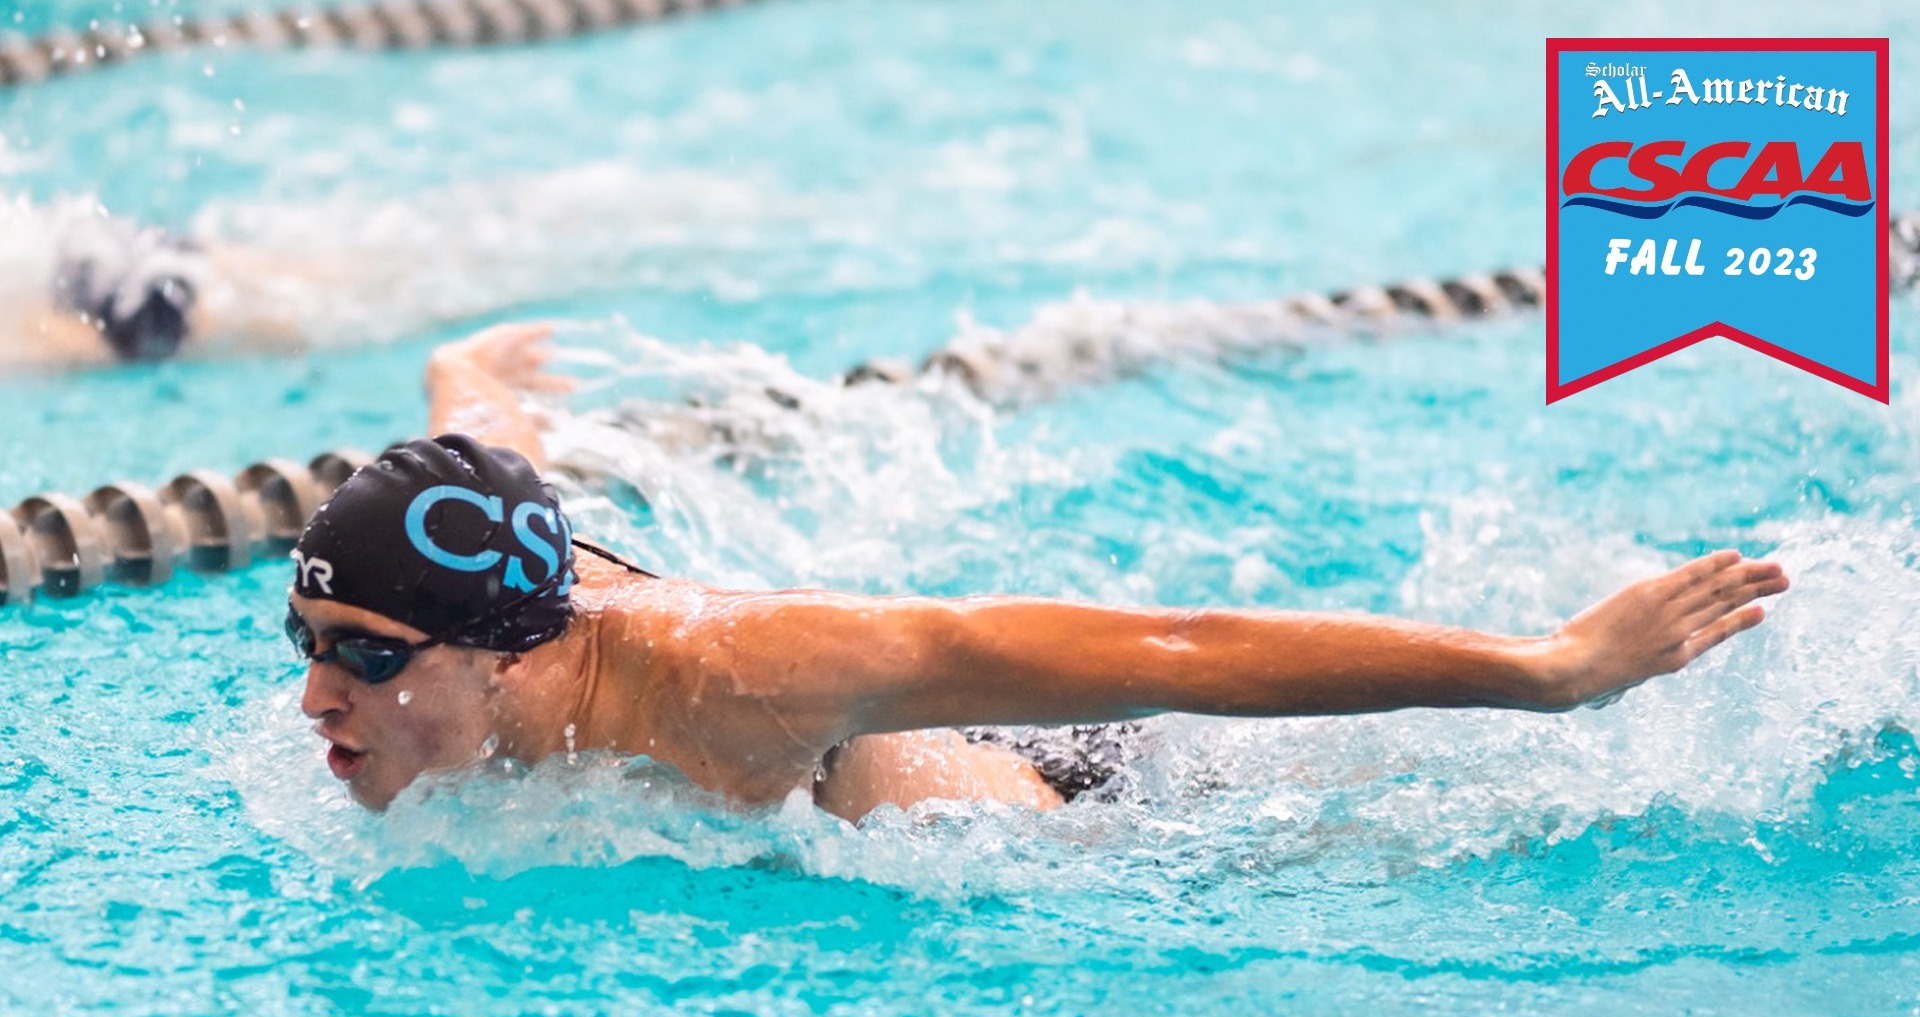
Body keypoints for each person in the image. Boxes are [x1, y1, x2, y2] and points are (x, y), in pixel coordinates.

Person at [285, 322, 1789, 821]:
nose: (313, 694)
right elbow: (479, 471)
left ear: (502, 654)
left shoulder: (738, 677)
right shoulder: (476, 594)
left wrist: (1551, 673)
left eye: (360, 657)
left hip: (1092, 809)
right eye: (302, 639)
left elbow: (1173, 650)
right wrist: (468, 384)